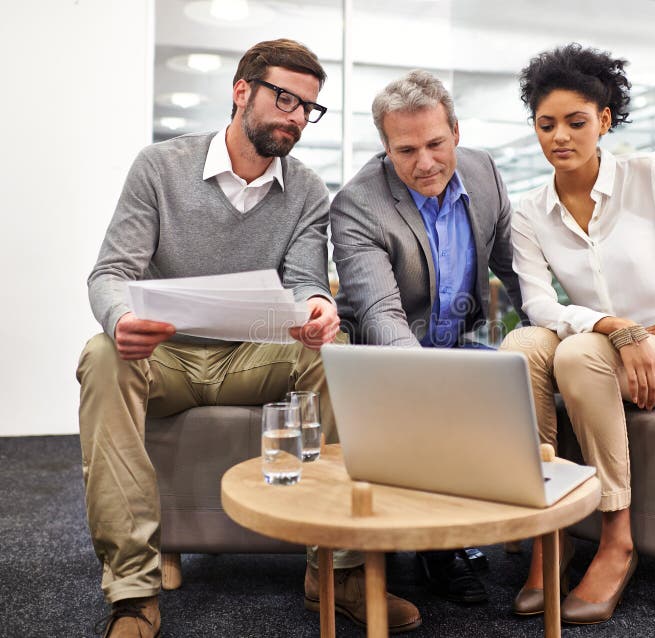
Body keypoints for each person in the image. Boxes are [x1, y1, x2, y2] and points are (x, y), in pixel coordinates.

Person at [77, 39, 418, 637]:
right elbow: (112, 272)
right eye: (285, 98)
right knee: (103, 356)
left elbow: (308, 281)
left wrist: (318, 307)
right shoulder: (159, 168)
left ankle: (333, 574)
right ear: (242, 92)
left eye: (308, 107)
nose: (296, 117)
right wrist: (120, 319)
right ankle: (133, 591)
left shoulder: (309, 190)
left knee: (333, 353)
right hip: (168, 357)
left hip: (251, 358)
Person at [500, 43, 655, 624]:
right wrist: (615, 327)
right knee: (521, 349)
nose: (560, 136)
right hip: (608, 349)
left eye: (576, 122)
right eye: (546, 125)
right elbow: (539, 304)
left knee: (580, 356)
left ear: (604, 121)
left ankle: (617, 537)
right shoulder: (530, 211)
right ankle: (553, 528)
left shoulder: (650, 176)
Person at [330, 70, 525, 605]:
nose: (425, 162)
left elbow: (514, 272)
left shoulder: (484, 173)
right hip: (383, 352)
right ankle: (438, 552)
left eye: (436, 143)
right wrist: (430, 379)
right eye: (406, 149)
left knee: (521, 372)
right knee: (426, 392)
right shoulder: (357, 203)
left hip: (457, 344)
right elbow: (379, 312)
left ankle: (518, 535)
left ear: (456, 132)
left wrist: (555, 332)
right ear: (386, 148)